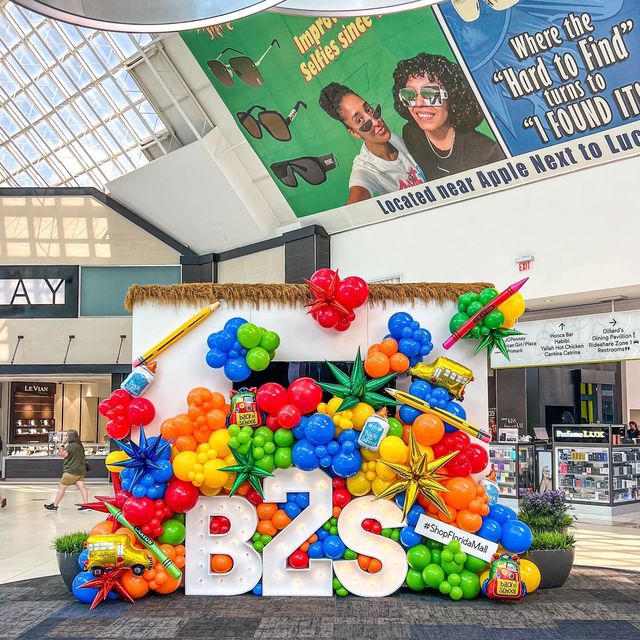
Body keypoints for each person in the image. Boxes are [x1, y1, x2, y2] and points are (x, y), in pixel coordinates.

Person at [392, 53, 505, 181]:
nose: (419, 103)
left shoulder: (487, 152)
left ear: (451, 96)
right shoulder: (411, 133)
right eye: (409, 94)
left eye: (431, 93)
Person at [319, 82, 425, 204]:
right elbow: (355, 202)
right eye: (360, 120)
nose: (375, 122)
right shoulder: (365, 171)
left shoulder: (392, 138)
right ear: (354, 133)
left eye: (369, 110)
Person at [45, 430, 89, 511]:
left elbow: (62, 454)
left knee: (61, 487)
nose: (66, 437)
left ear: (70, 437)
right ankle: (86, 505)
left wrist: (62, 444)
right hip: (80, 470)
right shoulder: (80, 445)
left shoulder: (70, 446)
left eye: (67, 436)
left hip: (71, 471)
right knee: (82, 487)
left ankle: (55, 505)